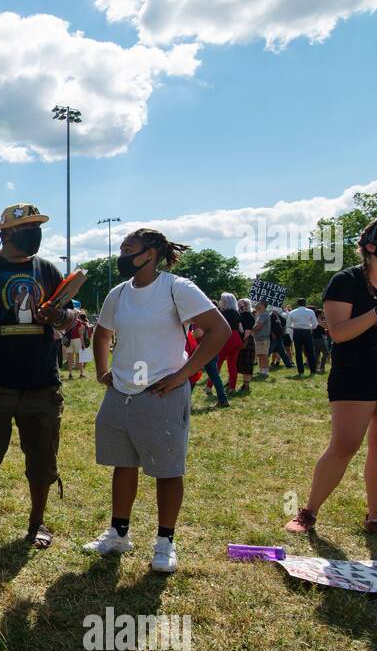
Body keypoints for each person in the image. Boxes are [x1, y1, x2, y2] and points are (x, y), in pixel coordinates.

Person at [284, 215, 377, 543]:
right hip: (356, 370)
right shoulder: (346, 281)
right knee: (345, 444)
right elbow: (339, 333)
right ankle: (308, 511)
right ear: (371, 246)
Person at [85, 229, 230, 573]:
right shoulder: (118, 293)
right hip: (120, 392)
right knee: (123, 464)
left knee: (167, 470)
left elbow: (219, 330)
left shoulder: (177, 287)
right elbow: (102, 333)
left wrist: (183, 374)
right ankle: (118, 534)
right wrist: (102, 370)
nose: (122, 255)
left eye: (129, 249)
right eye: (121, 248)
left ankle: (165, 542)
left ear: (151, 254)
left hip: (161, 391)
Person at [0, 203, 75, 551]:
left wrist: (58, 314)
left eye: (37, 227)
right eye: (27, 228)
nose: (34, 234)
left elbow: (68, 321)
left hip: (41, 386)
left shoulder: (48, 270)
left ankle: (37, 525)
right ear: (5, 234)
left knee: (41, 462)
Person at [215, 292, 243, 395]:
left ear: (225, 302)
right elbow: (241, 329)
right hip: (236, 339)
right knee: (232, 365)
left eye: (221, 300)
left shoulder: (223, 313)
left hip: (227, 338)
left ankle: (209, 387)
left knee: (217, 363)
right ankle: (232, 387)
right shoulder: (236, 313)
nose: (220, 301)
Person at [287, 297, 319, 375]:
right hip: (307, 332)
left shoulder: (293, 312)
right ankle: (313, 370)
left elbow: (288, 324)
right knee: (310, 351)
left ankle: (301, 371)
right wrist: (311, 327)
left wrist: (295, 327)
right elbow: (315, 324)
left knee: (298, 352)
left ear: (297, 304)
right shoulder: (310, 311)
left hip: (297, 332)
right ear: (305, 304)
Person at [236, 297, 257, 392]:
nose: (239, 306)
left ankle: (246, 385)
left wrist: (242, 341)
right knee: (241, 363)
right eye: (239, 304)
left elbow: (248, 331)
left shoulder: (248, 316)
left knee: (247, 364)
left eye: (242, 304)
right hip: (241, 340)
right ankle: (243, 384)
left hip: (247, 341)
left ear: (247, 306)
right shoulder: (240, 315)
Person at [252, 301, 272, 377]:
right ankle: (262, 370)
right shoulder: (262, 314)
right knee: (261, 354)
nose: (256, 305)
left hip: (263, 338)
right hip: (261, 338)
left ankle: (265, 370)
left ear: (262, 305)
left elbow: (258, 326)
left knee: (263, 355)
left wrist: (250, 329)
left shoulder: (263, 315)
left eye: (258, 304)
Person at [311, 308, 331, 374]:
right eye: (322, 313)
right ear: (319, 314)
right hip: (319, 339)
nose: (323, 314)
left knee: (317, 354)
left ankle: (316, 368)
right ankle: (322, 368)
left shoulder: (314, 320)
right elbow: (326, 327)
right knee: (326, 353)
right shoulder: (318, 320)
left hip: (314, 338)